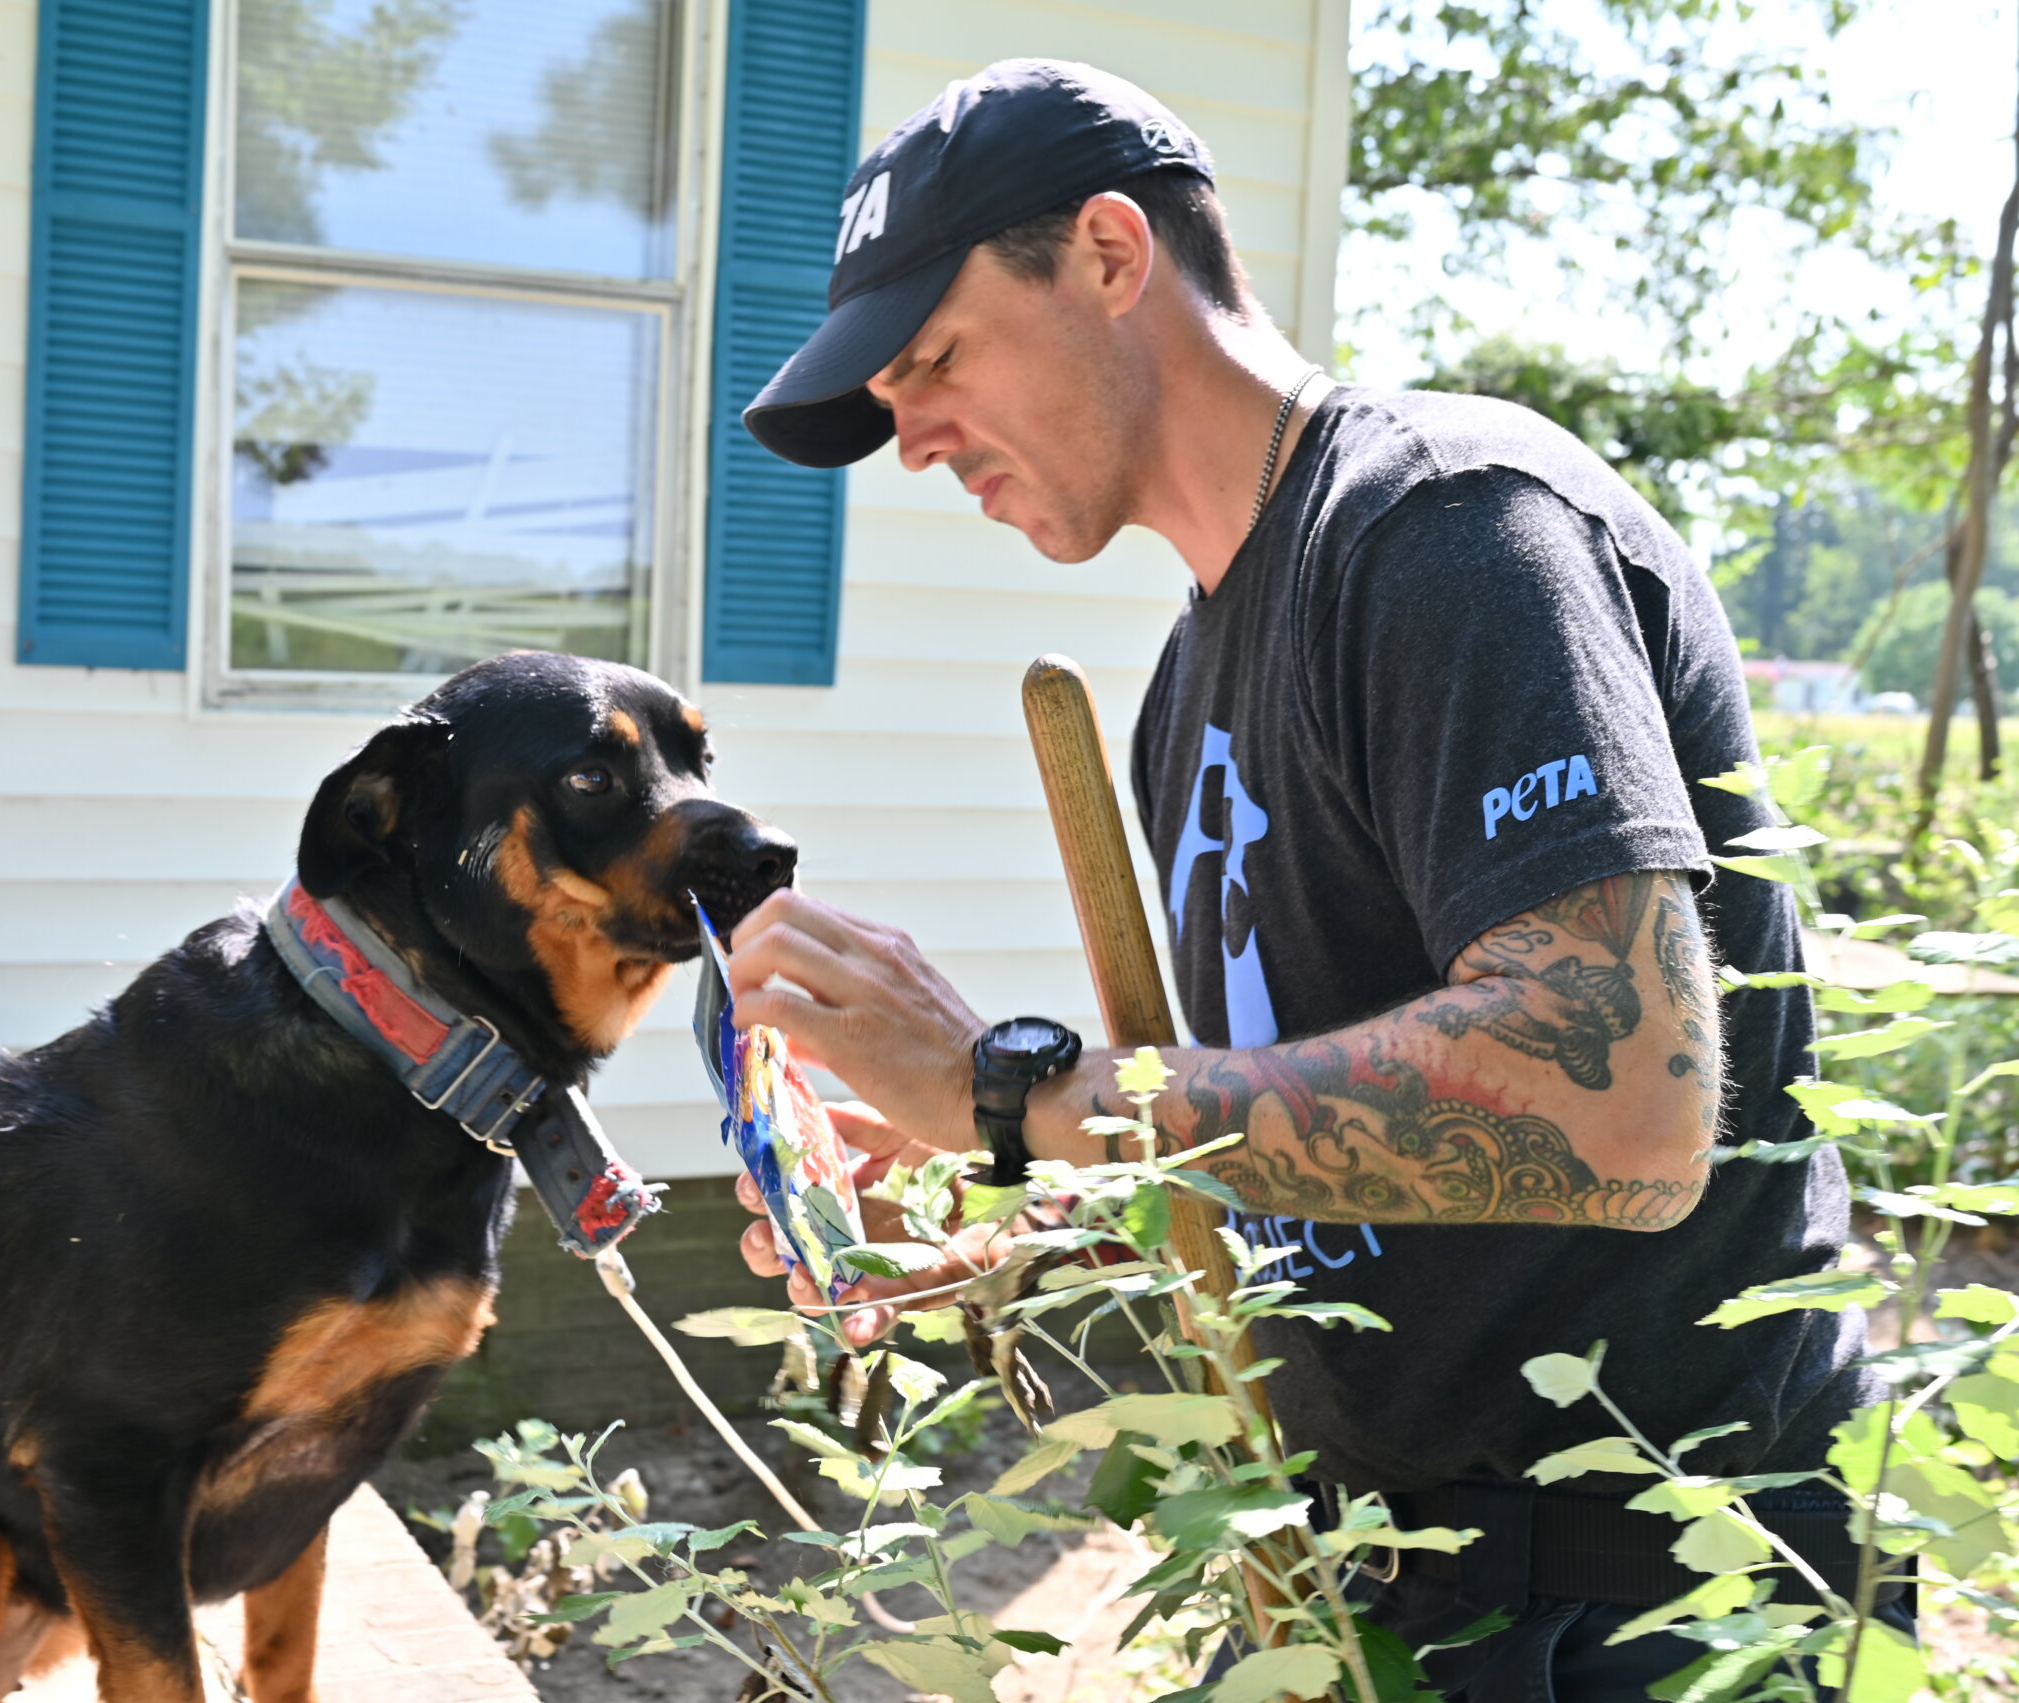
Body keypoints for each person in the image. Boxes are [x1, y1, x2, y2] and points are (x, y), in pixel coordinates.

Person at [724, 59, 1891, 1695]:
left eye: (933, 360)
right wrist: (1012, 1213)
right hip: (1374, 1601)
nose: (912, 439)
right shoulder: (1184, 694)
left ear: (1114, 256)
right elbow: (1344, 1167)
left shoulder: (1448, 532)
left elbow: (1621, 1106)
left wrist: (1019, 1090)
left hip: (1647, 1609)